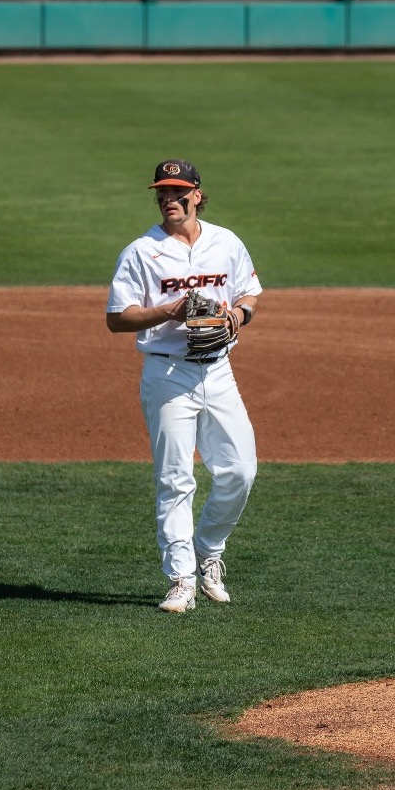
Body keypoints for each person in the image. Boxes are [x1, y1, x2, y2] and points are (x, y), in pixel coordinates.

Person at [106, 160, 262, 613]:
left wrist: (238, 315)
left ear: (196, 195)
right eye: (162, 192)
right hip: (167, 375)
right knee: (175, 478)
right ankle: (181, 579)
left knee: (240, 471)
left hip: (218, 371)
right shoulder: (141, 252)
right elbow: (117, 318)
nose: (168, 199)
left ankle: (207, 548)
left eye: (177, 192)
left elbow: (250, 293)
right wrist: (168, 311)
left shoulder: (226, 242)